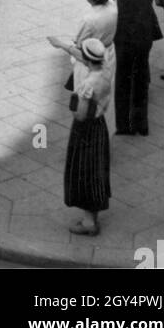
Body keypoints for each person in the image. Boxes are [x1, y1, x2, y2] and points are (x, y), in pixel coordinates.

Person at [48, 35, 112, 236]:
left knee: (85, 172)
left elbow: (80, 114)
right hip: (100, 126)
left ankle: (88, 223)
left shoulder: (87, 86)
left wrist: (74, 100)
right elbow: (86, 58)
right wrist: (62, 45)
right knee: (97, 170)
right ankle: (93, 215)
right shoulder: (106, 70)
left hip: (85, 130)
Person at [110, 0, 161, 136]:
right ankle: (142, 124)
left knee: (124, 85)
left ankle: (125, 125)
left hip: (128, 45)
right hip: (145, 40)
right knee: (140, 84)